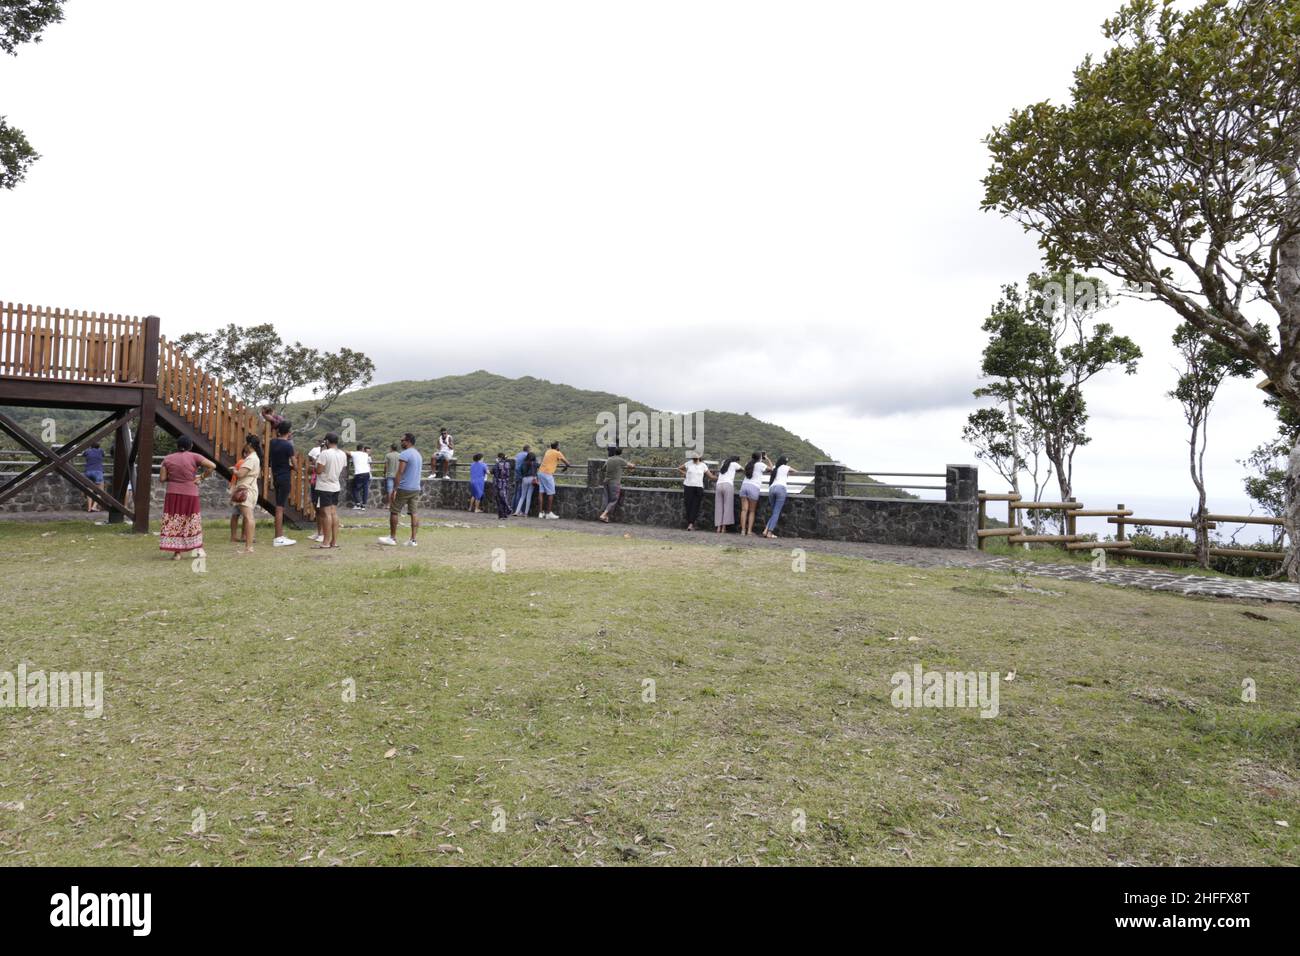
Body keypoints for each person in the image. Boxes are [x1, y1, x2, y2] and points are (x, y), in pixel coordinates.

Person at [158, 435, 214, 559]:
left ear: (177, 446)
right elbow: (212, 466)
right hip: (190, 493)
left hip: (172, 494)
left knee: (175, 521)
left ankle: (177, 553)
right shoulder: (195, 456)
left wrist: (173, 478)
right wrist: (202, 477)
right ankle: (199, 550)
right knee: (192, 520)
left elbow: (162, 479)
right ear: (191, 446)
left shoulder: (167, 459)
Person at [379, 432, 422, 546]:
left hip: (404, 487)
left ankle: (392, 538)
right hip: (416, 487)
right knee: (414, 513)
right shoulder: (418, 454)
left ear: (408, 441)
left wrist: (395, 489)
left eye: (402, 440)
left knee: (394, 511)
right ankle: (413, 540)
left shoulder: (405, 454)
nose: (401, 442)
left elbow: (400, 472)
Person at [312, 432, 348, 549]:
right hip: (335, 485)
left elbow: (318, 470)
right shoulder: (342, 454)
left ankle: (326, 542)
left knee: (325, 514)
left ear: (327, 441)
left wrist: (314, 464)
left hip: (324, 486)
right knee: (333, 513)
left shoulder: (324, 453)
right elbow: (342, 469)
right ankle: (334, 541)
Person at [232, 434, 262, 553]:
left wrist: (234, 470)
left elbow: (240, 474)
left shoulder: (251, 458)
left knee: (249, 518)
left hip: (246, 489)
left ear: (249, 444)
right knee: (249, 517)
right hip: (250, 489)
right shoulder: (255, 457)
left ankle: (249, 547)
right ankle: (248, 546)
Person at [269, 420, 297, 547]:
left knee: (279, 505)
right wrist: (291, 467)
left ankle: (279, 534)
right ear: (289, 432)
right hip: (284, 477)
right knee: (280, 507)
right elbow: (295, 465)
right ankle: (278, 538)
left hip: (275, 476)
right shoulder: (288, 446)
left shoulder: (272, 442)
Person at [677, 452, 715, 531]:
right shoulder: (688, 463)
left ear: (699, 458)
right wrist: (685, 474)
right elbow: (679, 468)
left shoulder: (703, 465)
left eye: (695, 458)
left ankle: (691, 524)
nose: (694, 459)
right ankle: (690, 523)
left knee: (695, 505)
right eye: (693, 458)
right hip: (688, 486)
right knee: (688, 505)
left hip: (698, 487)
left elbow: (710, 476)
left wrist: (720, 478)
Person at [738, 451, 773, 536]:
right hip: (754, 487)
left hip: (744, 486)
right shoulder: (760, 464)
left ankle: (743, 531)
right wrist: (767, 459)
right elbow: (771, 468)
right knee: (752, 511)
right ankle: (749, 531)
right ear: (760, 458)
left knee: (744, 510)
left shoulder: (747, 464)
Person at [598, 447, 633, 522]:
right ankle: (603, 515)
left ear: (614, 452)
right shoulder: (620, 460)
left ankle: (605, 517)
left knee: (606, 499)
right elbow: (631, 466)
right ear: (620, 453)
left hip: (606, 481)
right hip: (614, 483)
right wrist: (632, 465)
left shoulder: (609, 459)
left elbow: (603, 468)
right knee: (614, 500)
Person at [537, 441, 569, 519]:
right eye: (559, 446)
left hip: (540, 472)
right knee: (551, 493)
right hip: (547, 474)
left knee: (541, 493)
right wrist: (565, 467)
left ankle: (540, 513)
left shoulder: (548, 451)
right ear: (557, 446)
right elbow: (567, 463)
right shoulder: (558, 453)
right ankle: (548, 513)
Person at [763, 456, 792, 539]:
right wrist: (788, 473)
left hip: (772, 488)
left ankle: (765, 530)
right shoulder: (786, 467)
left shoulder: (775, 467)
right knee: (776, 513)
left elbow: (771, 467)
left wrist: (768, 458)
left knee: (774, 513)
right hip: (781, 488)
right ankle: (769, 533)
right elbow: (796, 471)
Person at [713, 455, 741, 533]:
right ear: (736, 460)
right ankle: (724, 528)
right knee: (727, 506)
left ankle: (718, 527)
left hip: (719, 485)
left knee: (719, 507)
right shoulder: (735, 464)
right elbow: (743, 469)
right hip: (728, 485)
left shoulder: (723, 463)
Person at [307, 438, 327, 543]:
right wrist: (313, 464)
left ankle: (323, 533)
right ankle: (319, 532)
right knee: (316, 509)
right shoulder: (316, 454)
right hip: (314, 483)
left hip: (323, 485)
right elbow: (309, 470)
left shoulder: (328, 457)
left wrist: (317, 465)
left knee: (322, 510)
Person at [513, 450, 539, 516]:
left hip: (524, 479)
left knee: (522, 496)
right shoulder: (535, 463)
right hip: (532, 479)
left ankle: (517, 511)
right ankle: (526, 513)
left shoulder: (524, 463)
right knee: (528, 496)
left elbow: (518, 469)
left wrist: (521, 477)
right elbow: (540, 466)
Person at [83, 442, 106, 512]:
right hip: (98, 472)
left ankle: (89, 508)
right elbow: (103, 455)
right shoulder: (101, 451)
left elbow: (83, 454)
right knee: (100, 491)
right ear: (98, 446)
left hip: (88, 472)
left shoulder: (87, 451)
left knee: (89, 490)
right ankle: (94, 507)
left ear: (91, 446)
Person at [350, 443, 372, 510]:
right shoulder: (366, 454)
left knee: (355, 489)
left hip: (359, 474)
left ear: (357, 448)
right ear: (362, 449)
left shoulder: (354, 453)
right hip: (367, 473)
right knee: (365, 490)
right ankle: (363, 506)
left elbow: (346, 452)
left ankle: (358, 504)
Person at [492, 452, 513, 520]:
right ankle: (505, 514)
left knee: (499, 499)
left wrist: (497, 462)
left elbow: (493, 471)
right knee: (504, 497)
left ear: (499, 457)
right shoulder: (507, 464)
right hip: (505, 483)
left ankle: (501, 515)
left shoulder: (497, 464)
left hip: (498, 483)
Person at [512, 444, 531, 512]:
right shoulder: (526, 455)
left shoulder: (518, 454)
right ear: (528, 449)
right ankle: (518, 510)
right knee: (520, 494)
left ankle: (512, 509)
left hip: (516, 475)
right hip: (521, 475)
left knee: (516, 493)